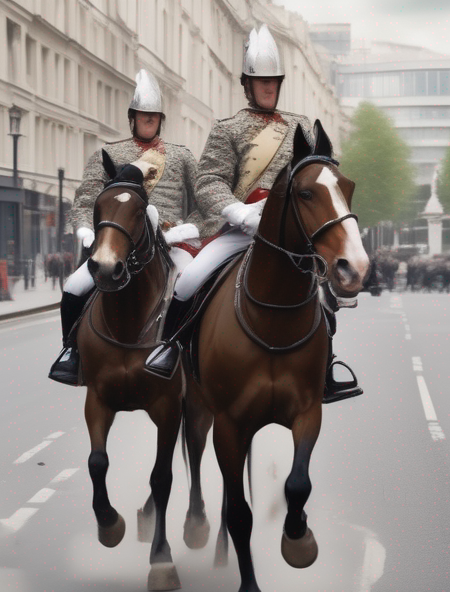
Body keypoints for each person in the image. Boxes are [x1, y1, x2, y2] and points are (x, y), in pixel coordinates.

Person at [142, 25, 361, 404]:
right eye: (260, 81)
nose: (268, 88)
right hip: (237, 231)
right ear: (247, 84)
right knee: (188, 281)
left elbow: (317, 175)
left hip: (290, 236)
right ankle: (170, 349)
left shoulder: (300, 127)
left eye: (273, 81)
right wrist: (242, 214)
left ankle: (325, 370)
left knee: (323, 297)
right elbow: (209, 182)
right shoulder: (226, 130)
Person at [47, 69, 200, 386]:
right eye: (143, 115)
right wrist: (86, 230)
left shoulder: (182, 157)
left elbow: (204, 204)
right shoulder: (109, 154)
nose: (148, 120)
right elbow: (86, 200)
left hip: (170, 245)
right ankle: (71, 353)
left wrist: (187, 229)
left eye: (153, 116)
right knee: (74, 288)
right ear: (132, 117)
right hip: (118, 243)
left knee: (195, 288)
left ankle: (193, 355)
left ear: (160, 118)